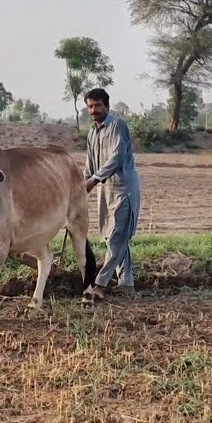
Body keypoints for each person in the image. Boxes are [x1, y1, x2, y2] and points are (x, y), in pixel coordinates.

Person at [82, 87, 140, 300]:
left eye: (97, 105)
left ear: (106, 105)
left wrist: (94, 179)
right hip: (104, 189)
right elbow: (89, 162)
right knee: (111, 236)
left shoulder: (117, 126)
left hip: (123, 188)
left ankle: (100, 284)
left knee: (117, 237)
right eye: (90, 106)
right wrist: (82, 183)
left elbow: (116, 158)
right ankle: (126, 282)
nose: (93, 110)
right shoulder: (92, 132)